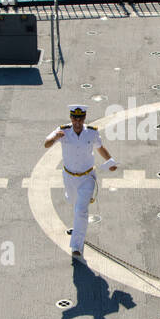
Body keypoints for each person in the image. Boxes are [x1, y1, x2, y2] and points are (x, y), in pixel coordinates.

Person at [45, 105, 118, 260]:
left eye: (80, 118)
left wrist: (110, 161)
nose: (77, 121)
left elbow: (100, 148)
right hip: (69, 177)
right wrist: (54, 138)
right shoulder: (63, 131)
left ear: (84, 118)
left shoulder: (91, 132)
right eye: (74, 118)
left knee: (81, 211)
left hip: (87, 177)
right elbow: (46, 144)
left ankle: (77, 246)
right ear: (71, 118)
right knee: (73, 201)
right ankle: (76, 222)